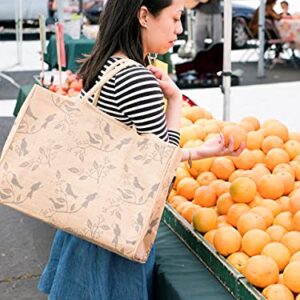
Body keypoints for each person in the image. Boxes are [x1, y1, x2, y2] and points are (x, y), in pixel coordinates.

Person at [38, 1, 244, 299]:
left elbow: (131, 152)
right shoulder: (137, 78)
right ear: (144, 15)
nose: (180, 29)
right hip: (113, 237)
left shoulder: (106, 63)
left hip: (87, 221)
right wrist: (174, 100)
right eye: (175, 18)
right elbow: (160, 168)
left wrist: (199, 152)